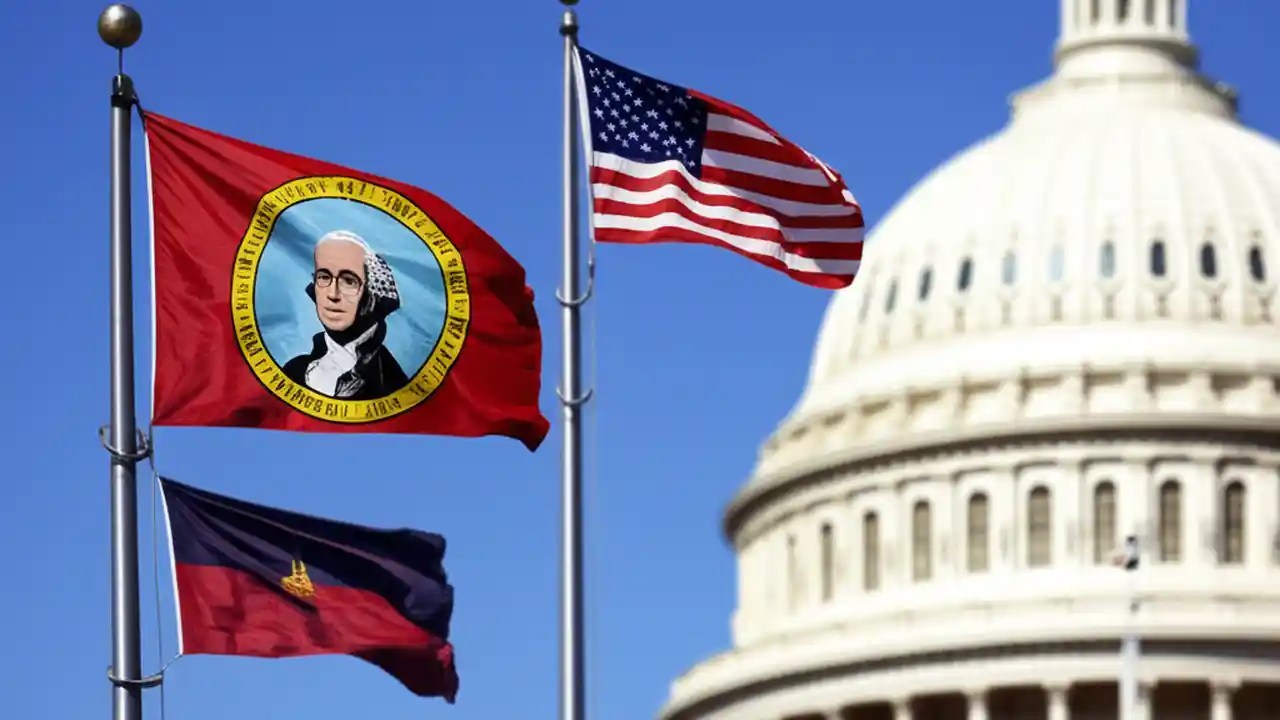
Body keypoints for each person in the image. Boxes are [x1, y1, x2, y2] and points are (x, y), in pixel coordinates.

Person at [283, 230, 409, 399]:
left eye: (349, 281)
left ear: (373, 295)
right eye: (324, 277)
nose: (332, 294)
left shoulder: (390, 384)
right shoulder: (294, 371)